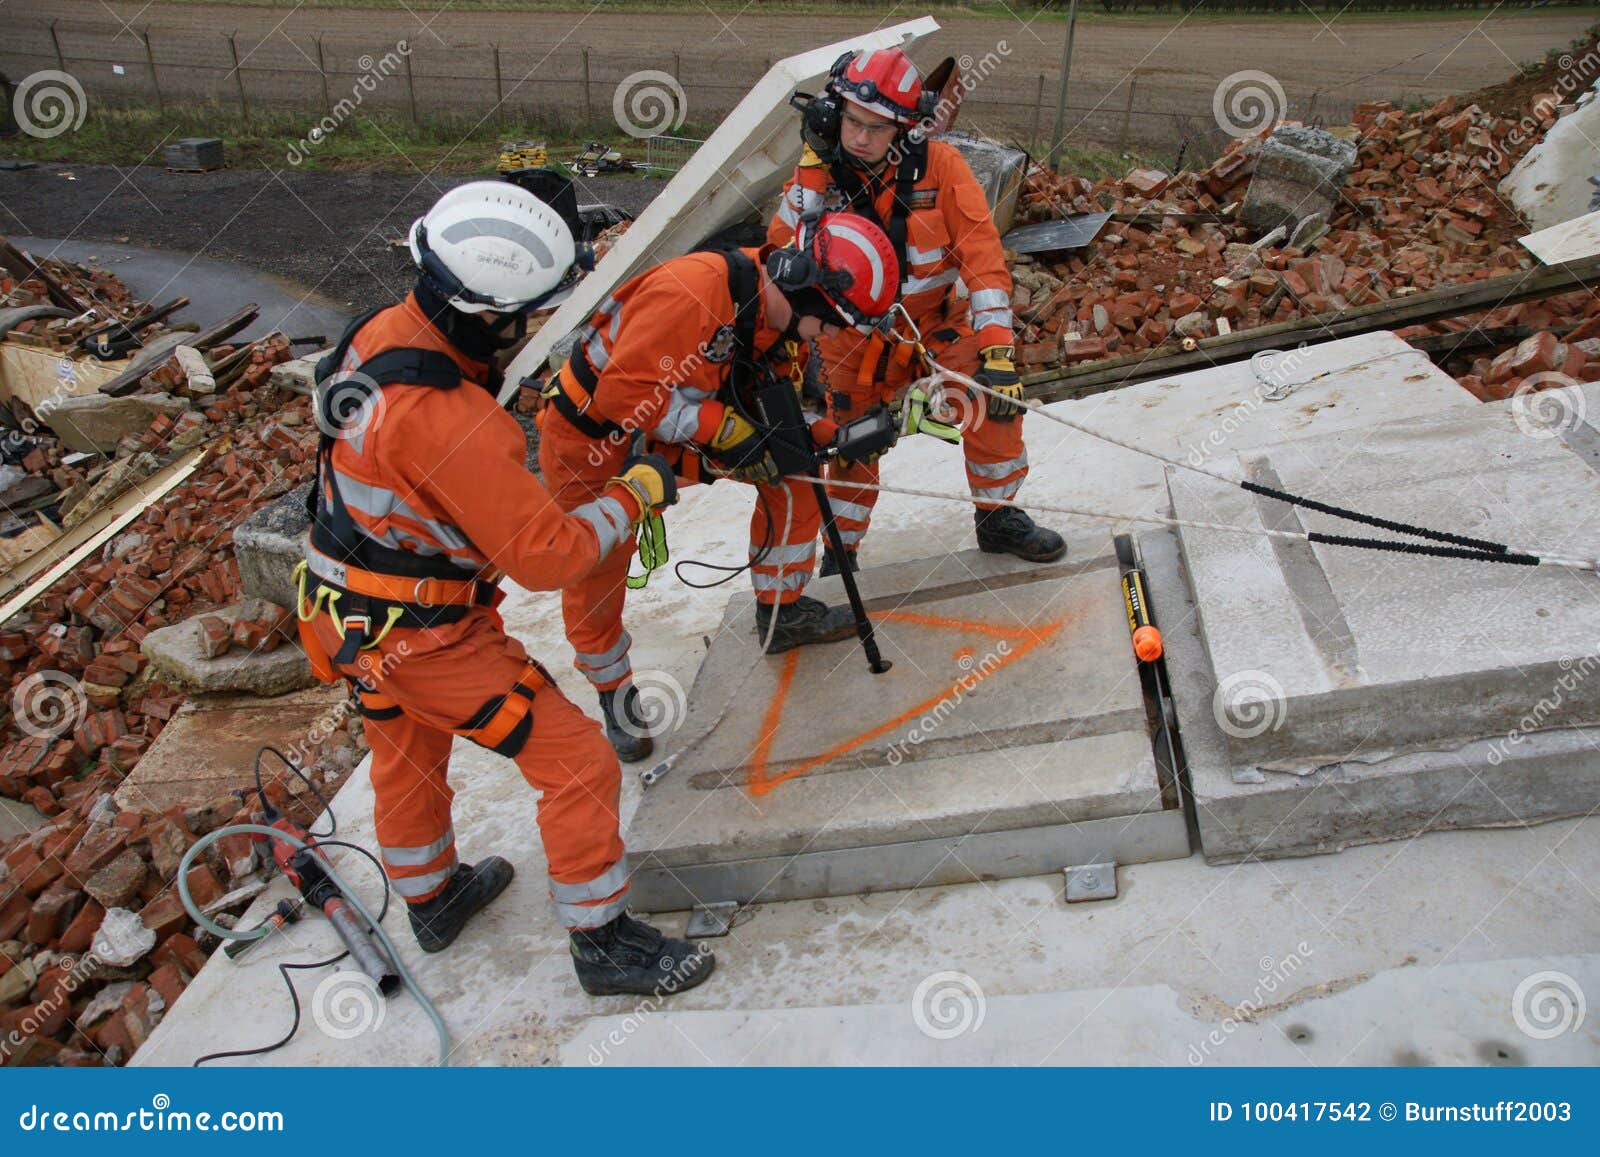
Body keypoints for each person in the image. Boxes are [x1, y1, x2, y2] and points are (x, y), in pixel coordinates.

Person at [295, 180, 712, 997]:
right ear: (488, 312)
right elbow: (547, 557)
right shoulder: (458, 425)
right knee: (578, 761)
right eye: (523, 315)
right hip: (425, 636)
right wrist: (637, 491)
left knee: (407, 757)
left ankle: (432, 896)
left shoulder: (379, 333)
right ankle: (603, 941)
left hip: (340, 608)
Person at [537, 211, 901, 761]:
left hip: (679, 424)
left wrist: (830, 437)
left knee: (795, 475)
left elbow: (769, 404)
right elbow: (622, 398)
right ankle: (613, 689)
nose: (831, 338)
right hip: (592, 436)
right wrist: (722, 429)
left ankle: (782, 612)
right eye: (831, 324)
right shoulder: (694, 291)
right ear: (808, 296)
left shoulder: (772, 313)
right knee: (599, 562)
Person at [770, 47, 1067, 575]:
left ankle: (997, 516)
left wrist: (998, 348)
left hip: (934, 323)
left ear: (906, 126)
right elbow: (780, 252)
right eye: (852, 122)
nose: (860, 138)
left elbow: (983, 257)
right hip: (851, 337)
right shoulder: (817, 174)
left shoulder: (943, 168)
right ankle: (844, 554)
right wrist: (811, 180)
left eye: (877, 128)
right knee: (848, 444)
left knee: (991, 398)